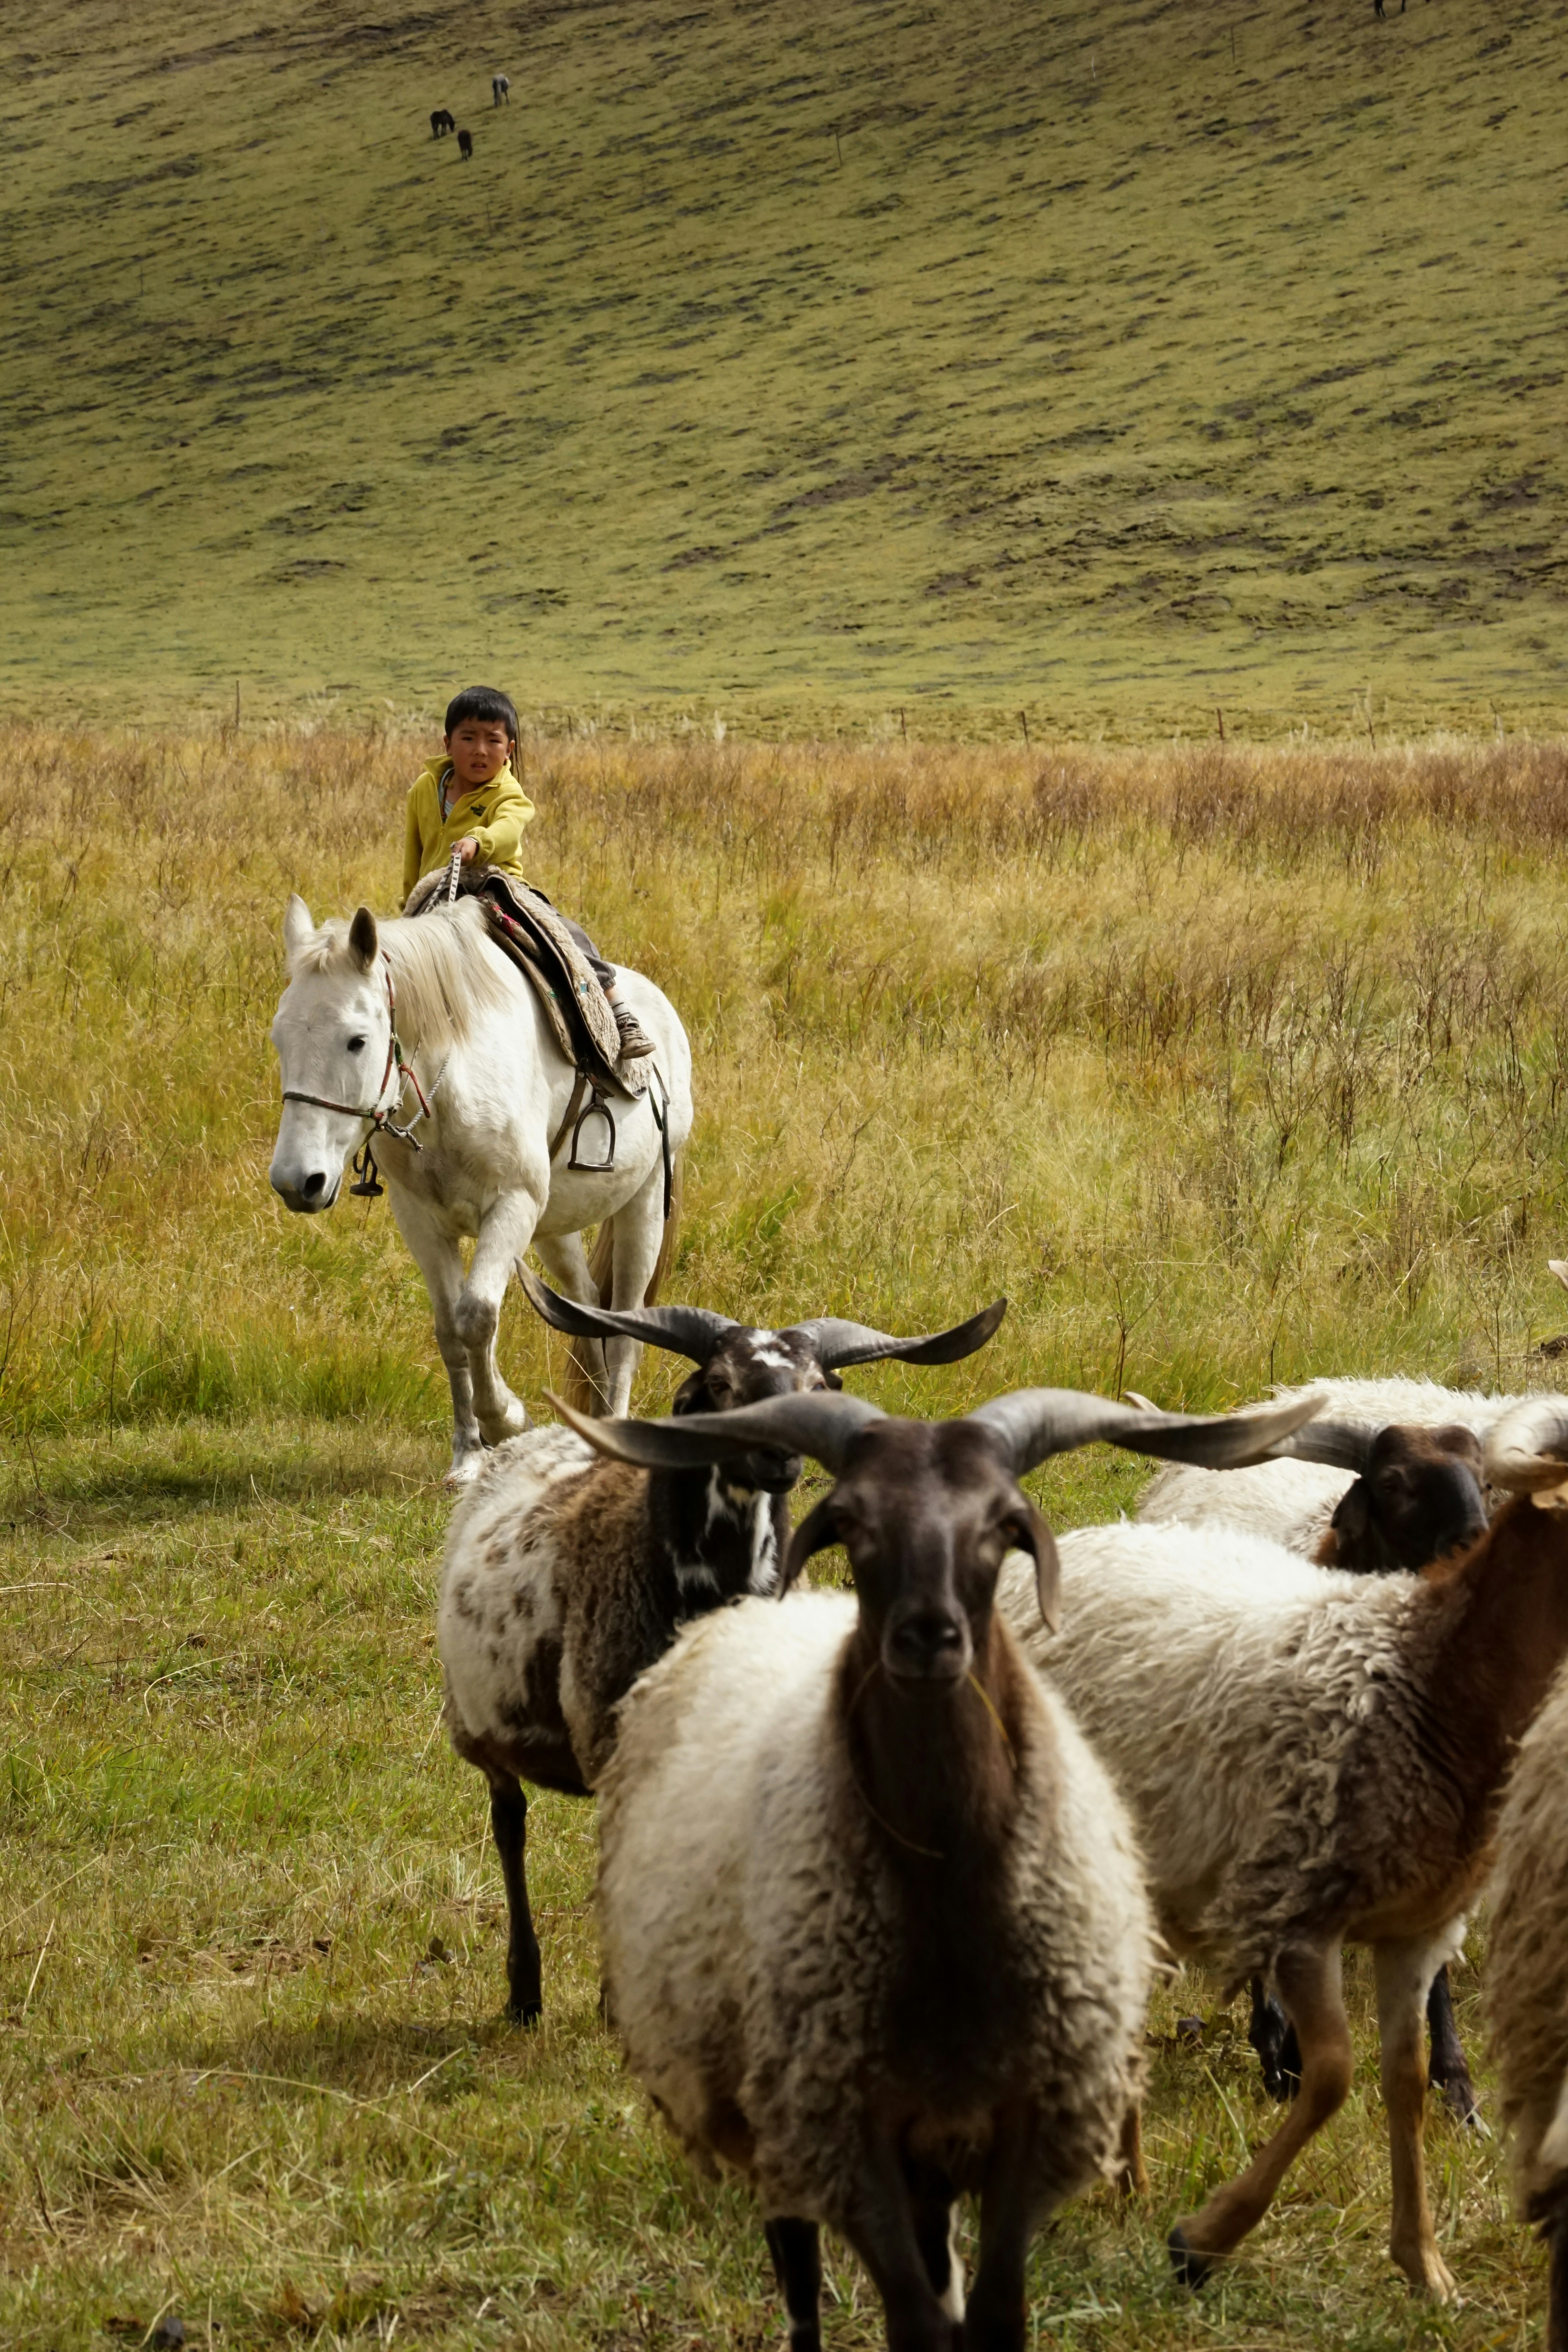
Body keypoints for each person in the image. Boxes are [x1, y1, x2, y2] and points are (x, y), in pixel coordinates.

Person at [403, 685, 654, 1060]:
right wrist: (408, 904)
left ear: (510, 749)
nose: (480, 750)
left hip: (495, 888)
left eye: (493, 740)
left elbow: (508, 828)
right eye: (468, 738)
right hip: (436, 894)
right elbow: (414, 852)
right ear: (447, 743)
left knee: (563, 935)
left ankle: (618, 1010)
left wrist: (478, 841)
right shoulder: (425, 788)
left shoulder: (509, 792)